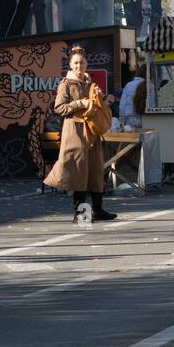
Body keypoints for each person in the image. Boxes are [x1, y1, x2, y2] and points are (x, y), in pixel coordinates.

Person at [44, 46, 115, 223]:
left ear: (86, 64)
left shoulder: (91, 84)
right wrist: (79, 104)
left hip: (92, 131)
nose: (79, 66)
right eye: (75, 63)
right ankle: (80, 213)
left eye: (82, 62)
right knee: (79, 172)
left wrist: (100, 98)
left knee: (96, 171)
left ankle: (98, 210)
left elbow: (96, 106)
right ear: (70, 64)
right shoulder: (65, 84)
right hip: (75, 132)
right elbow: (59, 108)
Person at [119, 66, 147, 131]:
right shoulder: (150, 85)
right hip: (145, 119)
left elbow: (122, 106)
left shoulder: (129, 85)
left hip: (130, 120)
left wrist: (122, 122)